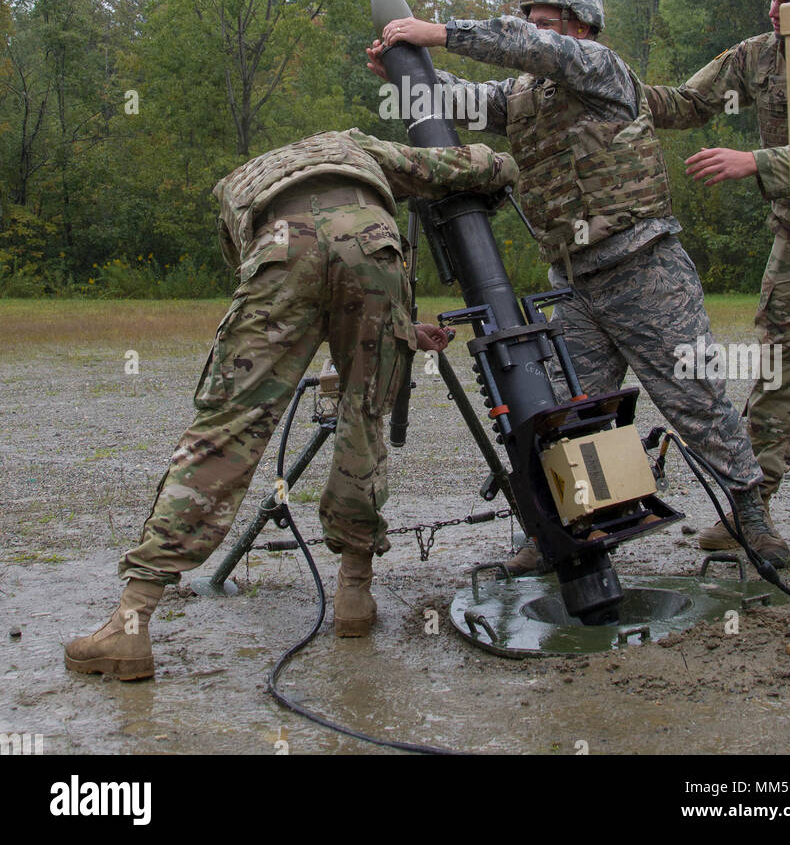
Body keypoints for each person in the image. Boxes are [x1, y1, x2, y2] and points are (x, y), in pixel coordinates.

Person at [367, 0, 788, 572]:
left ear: (580, 27)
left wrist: (439, 32)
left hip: (645, 272)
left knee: (694, 400)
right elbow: (465, 99)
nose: (534, 32)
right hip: (574, 283)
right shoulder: (524, 98)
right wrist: (407, 74)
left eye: (545, 23)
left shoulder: (603, 72)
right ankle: (570, 533)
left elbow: (534, 50)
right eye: (531, 22)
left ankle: (751, 515)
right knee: (562, 415)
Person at [64, 128, 518, 680]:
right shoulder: (355, 145)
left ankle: (129, 626)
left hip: (278, 246)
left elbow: (289, 282)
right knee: (364, 418)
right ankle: (354, 597)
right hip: (372, 242)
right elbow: (442, 168)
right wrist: (500, 165)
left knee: (228, 428)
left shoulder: (239, 184)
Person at [642, 0, 790, 553]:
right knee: (780, 366)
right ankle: (752, 513)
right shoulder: (758, 57)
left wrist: (755, 161)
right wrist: (603, 86)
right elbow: (686, 103)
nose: (776, 10)